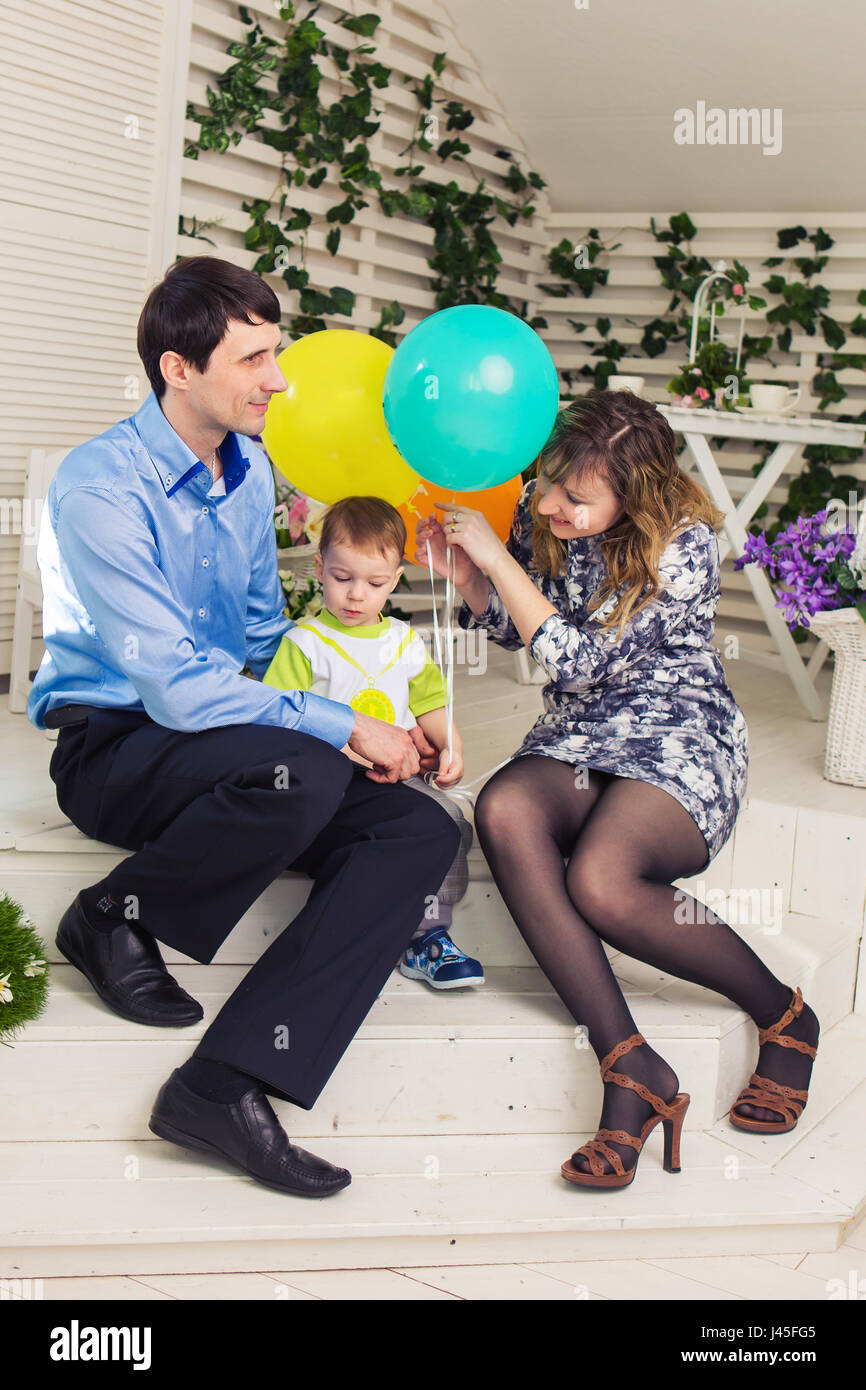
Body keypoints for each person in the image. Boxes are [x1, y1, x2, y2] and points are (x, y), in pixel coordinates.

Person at [27, 255, 461, 1199]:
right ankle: (110, 914)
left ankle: (223, 1087)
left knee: (421, 826)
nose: (280, 380)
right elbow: (178, 691)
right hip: (118, 747)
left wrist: (382, 710)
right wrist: (334, 726)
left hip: (228, 735)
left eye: (278, 354)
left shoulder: (250, 467)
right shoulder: (100, 488)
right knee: (298, 773)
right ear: (179, 370)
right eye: (256, 360)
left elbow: (267, 635)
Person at [415, 389, 819, 1189]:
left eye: (576, 497)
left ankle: (784, 1014)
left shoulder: (685, 546)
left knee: (600, 880)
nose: (551, 505)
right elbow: (520, 626)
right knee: (504, 806)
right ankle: (632, 1070)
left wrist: (497, 559)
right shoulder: (548, 514)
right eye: (549, 483)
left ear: (632, 495)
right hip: (579, 737)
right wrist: (470, 579)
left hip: (679, 737)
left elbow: (576, 660)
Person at [262, 495, 482, 988]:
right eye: (343, 578)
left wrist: (452, 746)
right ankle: (364, 919)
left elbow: (429, 703)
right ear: (320, 568)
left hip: (398, 780)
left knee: (449, 823)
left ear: (396, 578)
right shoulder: (304, 644)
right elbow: (275, 719)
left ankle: (427, 935)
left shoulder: (405, 641)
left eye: (375, 583)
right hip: (331, 784)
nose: (356, 595)